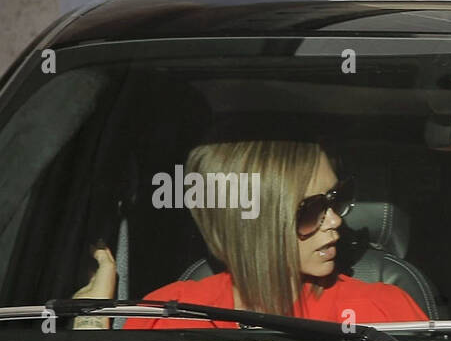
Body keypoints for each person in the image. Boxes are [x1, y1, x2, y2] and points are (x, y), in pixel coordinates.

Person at [72, 140, 427, 329]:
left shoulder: (383, 309)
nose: (334, 220)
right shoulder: (168, 314)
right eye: (312, 210)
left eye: (338, 198)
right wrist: (91, 316)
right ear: (251, 223)